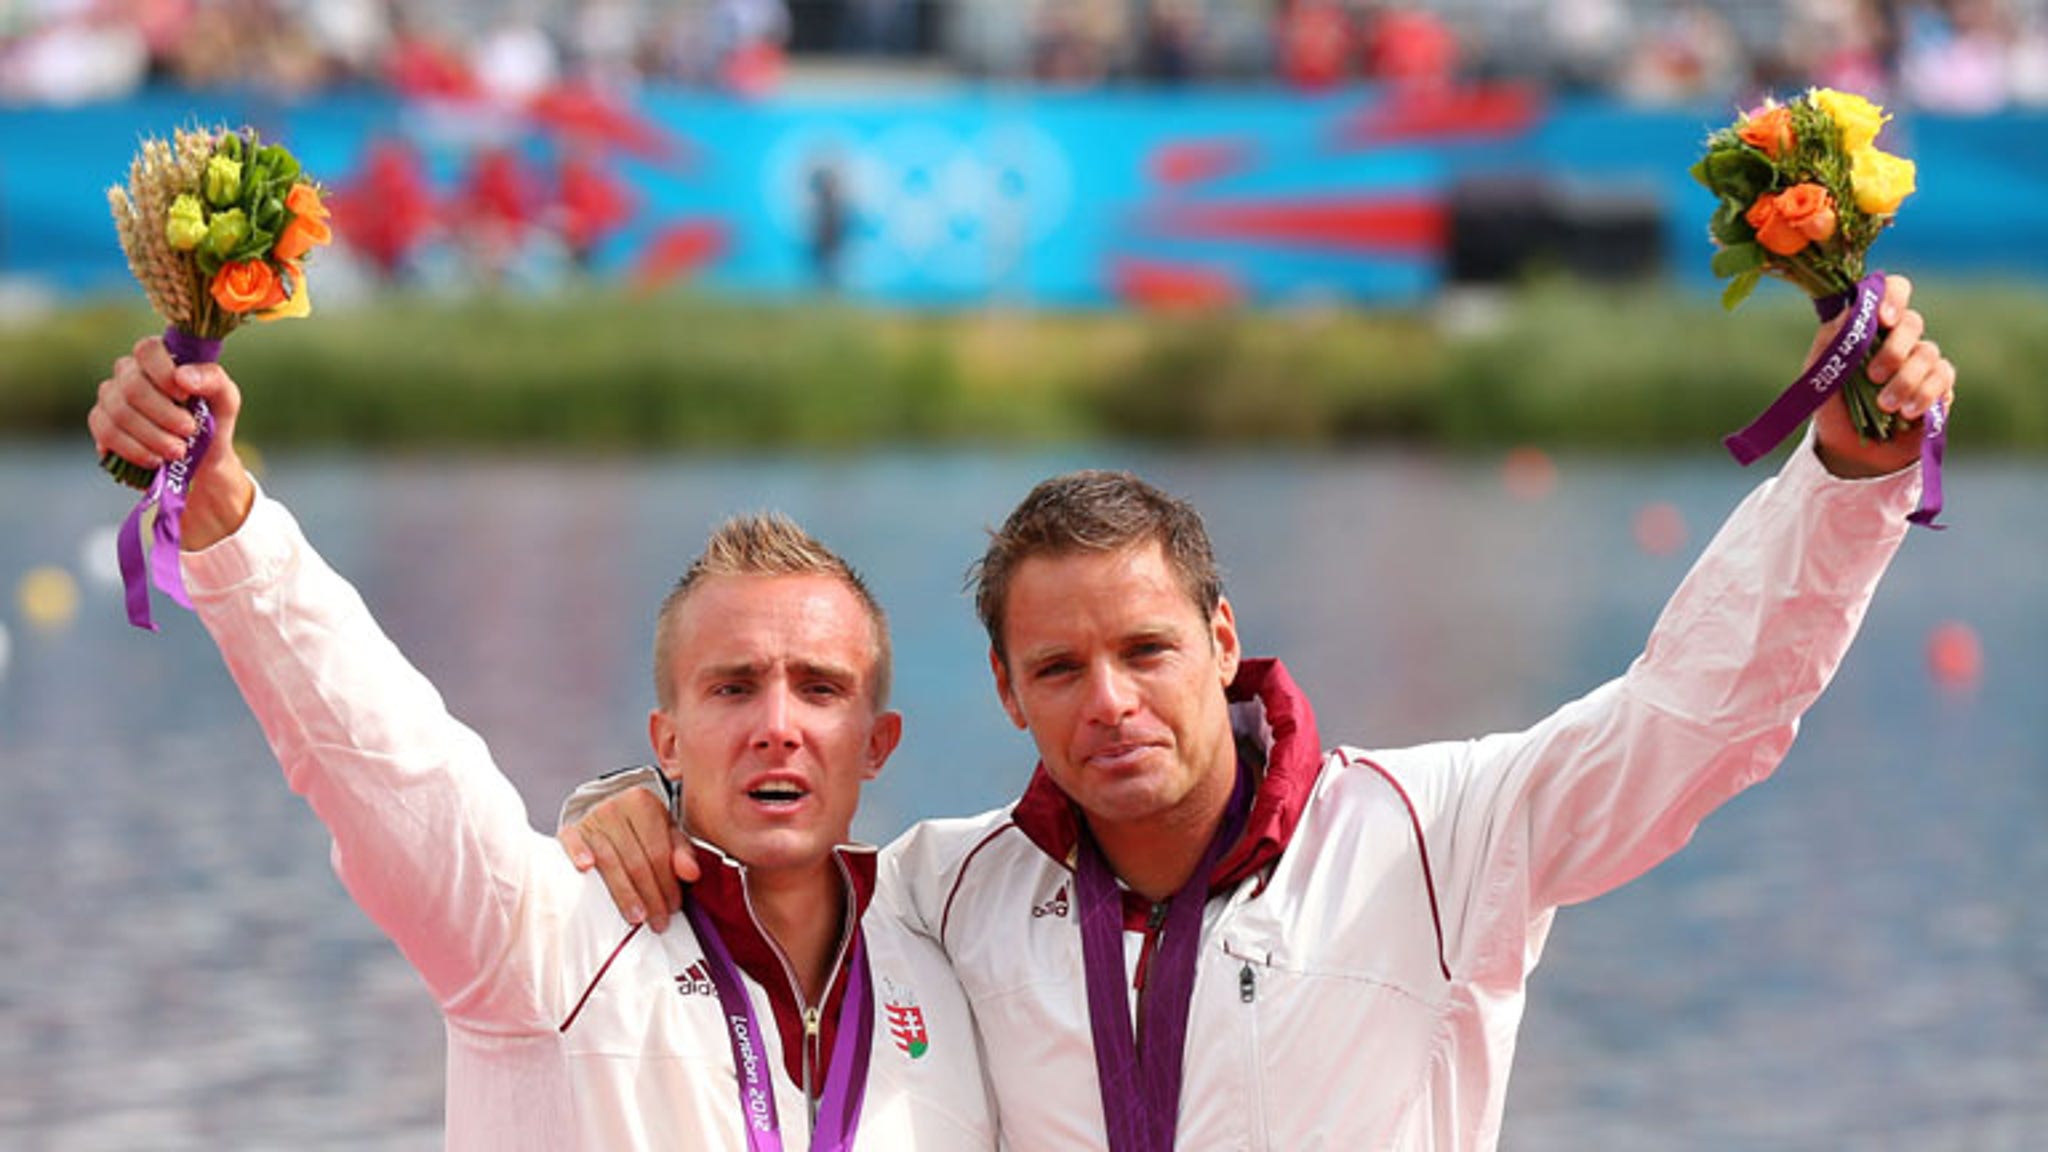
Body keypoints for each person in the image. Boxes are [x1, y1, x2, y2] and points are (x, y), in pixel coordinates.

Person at [560, 275, 1957, 1149]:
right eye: (1057, 670)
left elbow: (1699, 717)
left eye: (1146, 650)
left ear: (1222, 640)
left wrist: (1841, 485)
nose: (1109, 702)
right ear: (1004, 691)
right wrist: (632, 804)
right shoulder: (943, 889)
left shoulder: (1444, 835)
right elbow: (773, 859)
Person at [86, 340, 998, 1150]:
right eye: (732, 687)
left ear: (877, 743)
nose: (777, 725)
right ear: (666, 744)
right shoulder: (541, 937)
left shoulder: (957, 949)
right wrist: (222, 508)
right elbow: (382, 753)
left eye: (820, 688)